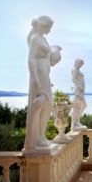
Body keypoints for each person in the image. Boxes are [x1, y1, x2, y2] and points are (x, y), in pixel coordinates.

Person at [24, 16, 61, 151]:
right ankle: (37, 138)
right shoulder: (35, 38)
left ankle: (41, 135)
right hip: (39, 75)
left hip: (45, 74)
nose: (50, 30)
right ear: (43, 25)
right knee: (40, 106)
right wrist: (35, 79)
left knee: (48, 104)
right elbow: (31, 60)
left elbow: (49, 58)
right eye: (49, 27)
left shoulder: (42, 38)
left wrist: (55, 51)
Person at [71, 58, 87, 131]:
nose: (81, 65)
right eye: (80, 64)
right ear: (77, 63)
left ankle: (77, 121)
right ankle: (75, 123)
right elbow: (73, 79)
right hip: (78, 90)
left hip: (81, 91)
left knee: (80, 106)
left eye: (82, 64)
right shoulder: (74, 69)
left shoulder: (78, 70)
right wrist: (80, 86)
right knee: (79, 106)